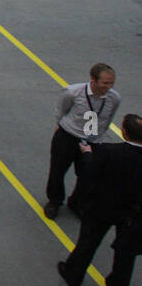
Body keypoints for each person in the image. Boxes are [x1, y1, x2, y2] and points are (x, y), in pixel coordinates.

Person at [57, 112, 142, 286]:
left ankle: (73, 274)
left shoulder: (109, 151)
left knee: (88, 242)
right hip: (133, 214)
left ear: (124, 132)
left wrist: (87, 155)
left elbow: (89, 173)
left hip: (102, 207)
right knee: (125, 255)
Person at [45, 64, 120, 220]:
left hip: (93, 140)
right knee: (58, 171)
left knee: (88, 175)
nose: (108, 87)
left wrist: (97, 136)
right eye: (105, 83)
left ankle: (76, 202)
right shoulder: (73, 92)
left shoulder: (114, 98)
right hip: (69, 136)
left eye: (111, 83)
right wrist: (63, 127)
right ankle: (55, 201)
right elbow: (61, 111)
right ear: (93, 79)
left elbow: (108, 118)